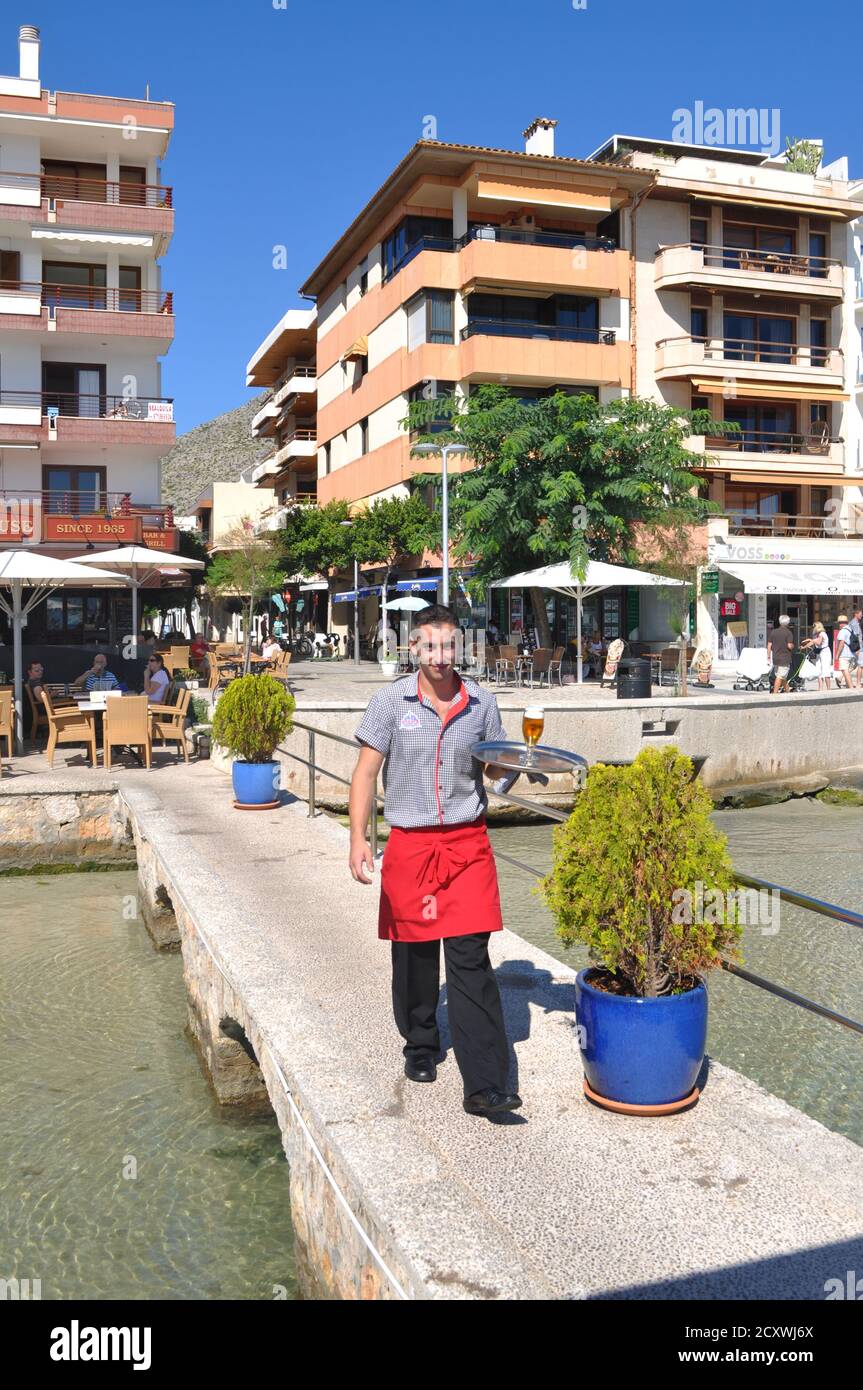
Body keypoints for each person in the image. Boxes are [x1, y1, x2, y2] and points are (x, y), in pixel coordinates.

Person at [348, 603, 522, 1119]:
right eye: (430, 646)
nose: (441, 656)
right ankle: (421, 1043)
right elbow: (363, 774)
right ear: (413, 647)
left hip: (467, 846)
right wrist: (359, 839)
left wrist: (518, 770)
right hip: (411, 844)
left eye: (449, 646)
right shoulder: (388, 702)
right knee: (415, 959)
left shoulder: (483, 703)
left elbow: (493, 770)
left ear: (459, 647)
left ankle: (485, 1085)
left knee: (471, 961)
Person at [767, 615, 795, 694]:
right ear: (788, 623)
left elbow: (769, 645)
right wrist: (793, 646)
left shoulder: (774, 632)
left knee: (783, 677)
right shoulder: (788, 633)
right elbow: (789, 645)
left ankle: (788, 692)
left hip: (775, 658)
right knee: (780, 677)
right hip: (784, 658)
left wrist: (768, 656)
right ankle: (775, 694)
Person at [801, 622, 832, 691]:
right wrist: (804, 647)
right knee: (819, 670)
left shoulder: (822, 634)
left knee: (826, 669)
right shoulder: (816, 634)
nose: (813, 628)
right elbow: (813, 642)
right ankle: (820, 688)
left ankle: (828, 688)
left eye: (814, 626)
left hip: (825, 652)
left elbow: (818, 642)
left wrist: (811, 640)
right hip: (819, 652)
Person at [833, 614, 854, 690]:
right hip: (852, 654)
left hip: (844, 654)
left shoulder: (842, 631)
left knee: (844, 670)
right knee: (847, 669)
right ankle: (841, 680)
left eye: (839, 623)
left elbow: (841, 644)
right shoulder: (850, 630)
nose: (839, 625)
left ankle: (851, 687)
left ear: (840, 623)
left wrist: (837, 655)